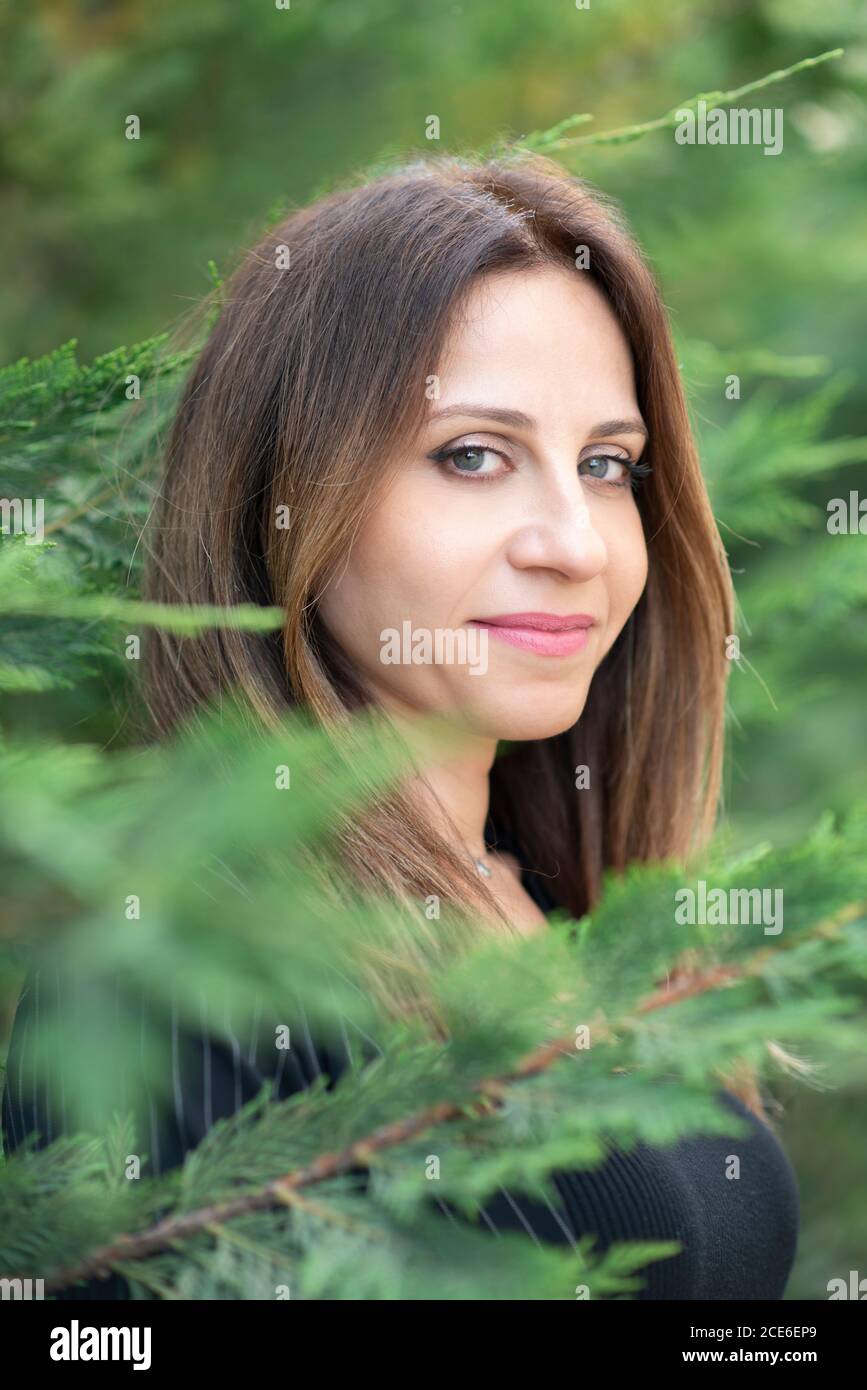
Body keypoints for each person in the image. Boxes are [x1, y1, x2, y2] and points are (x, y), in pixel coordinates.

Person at [1, 151, 800, 1298]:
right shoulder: (180, 975)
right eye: (474, 455)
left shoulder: (562, 907)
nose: (573, 542)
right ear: (287, 494)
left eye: (608, 464)